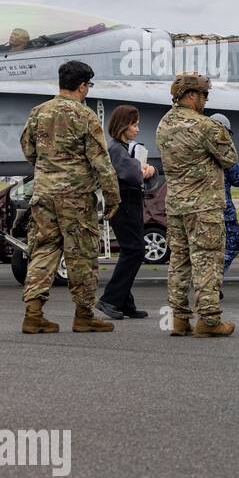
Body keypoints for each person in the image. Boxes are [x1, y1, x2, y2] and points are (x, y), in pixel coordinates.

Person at [18, 60, 120, 333]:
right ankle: (84, 315)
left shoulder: (39, 112)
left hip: (43, 194)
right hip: (76, 197)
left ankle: (33, 313)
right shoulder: (85, 116)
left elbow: (28, 150)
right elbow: (100, 161)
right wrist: (112, 196)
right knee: (82, 255)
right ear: (83, 85)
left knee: (43, 250)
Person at [157, 72, 239, 337]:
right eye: (204, 95)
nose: (205, 100)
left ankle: (178, 319)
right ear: (192, 96)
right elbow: (230, 158)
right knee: (207, 261)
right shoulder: (205, 126)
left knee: (179, 262)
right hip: (204, 206)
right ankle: (209, 320)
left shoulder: (163, 124)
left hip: (175, 205)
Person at [96, 104, 155, 320]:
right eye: (134, 124)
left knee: (132, 251)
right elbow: (133, 175)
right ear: (123, 126)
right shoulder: (117, 150)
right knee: (135, 251)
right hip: (126, 203)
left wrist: (146, 171)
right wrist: (147, 170)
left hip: (129, 203)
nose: (137, 129)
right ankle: (110, 299)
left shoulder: (121, 148)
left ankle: (124, 302)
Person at [209, 113, 239, 275]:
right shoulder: (225, 150)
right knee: (232, 246)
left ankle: (206, 279)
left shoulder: (197, 148)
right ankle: (213, 278)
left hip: (202, 209)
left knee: (207, 250)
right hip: (223, 210)